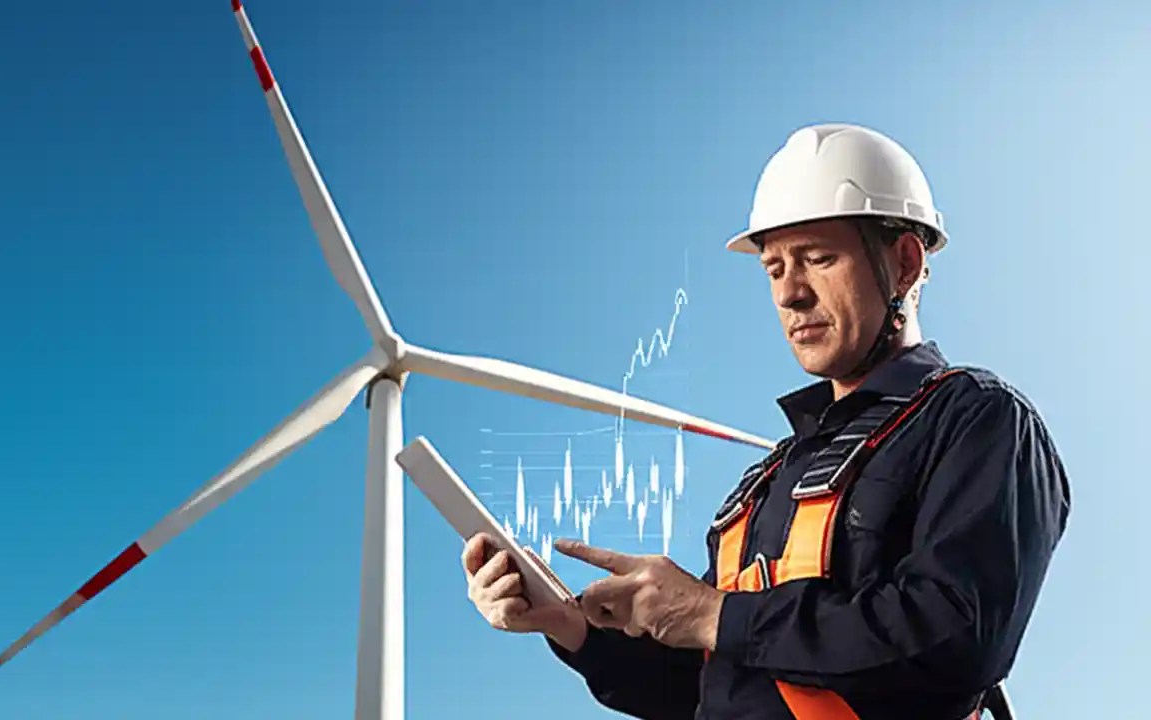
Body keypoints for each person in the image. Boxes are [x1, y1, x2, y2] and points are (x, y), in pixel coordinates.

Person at [459, 123, 1071, 719]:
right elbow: (705, 686)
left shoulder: (977, 420)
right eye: (774, 268)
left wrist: (713, 615)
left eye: (817, 259)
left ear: (905, 263)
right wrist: (569, 626)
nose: (790, 294)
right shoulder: (769, 480)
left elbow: (955, 639)